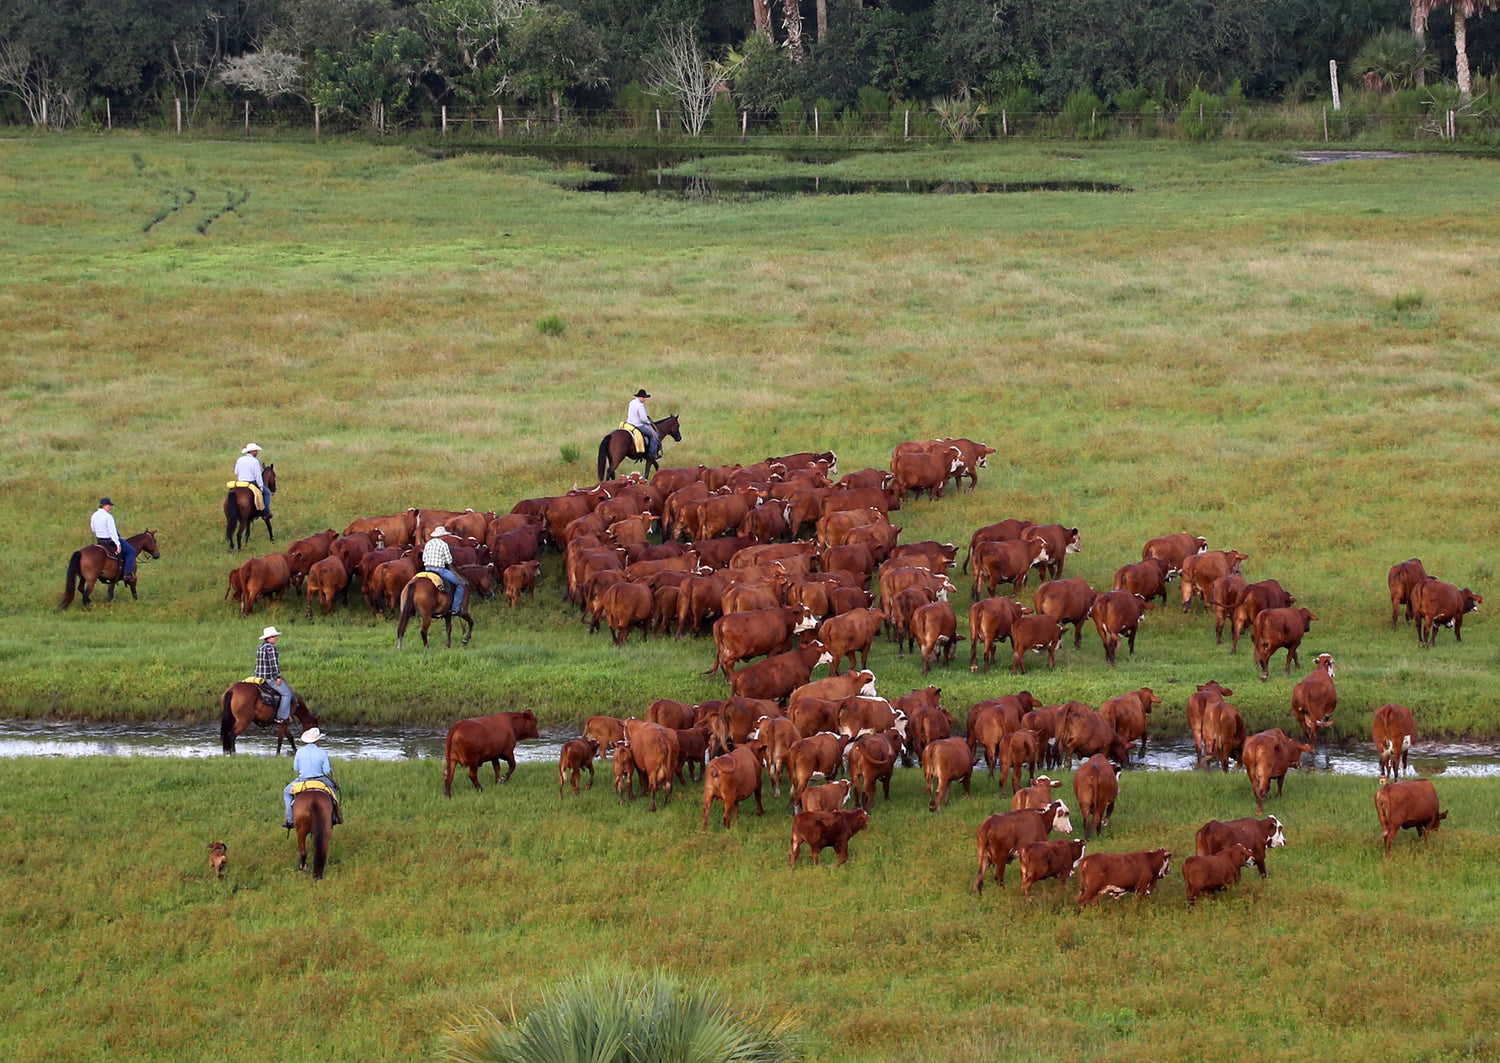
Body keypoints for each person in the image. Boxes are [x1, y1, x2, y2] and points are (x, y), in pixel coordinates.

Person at [282, 727, 336, 830]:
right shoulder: (322, 753)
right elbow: (327, 771)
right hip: (320, 779)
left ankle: (290, 820)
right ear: (317, 740)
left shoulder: (300, 752)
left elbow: (296, 768)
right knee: (333, 791)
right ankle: (333, 817)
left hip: (302, 780)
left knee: (286, 792)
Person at [421, 526, 467, 617]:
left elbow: (424, 558)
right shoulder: (443, 544)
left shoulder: (428, 543)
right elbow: (449, 560)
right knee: (460, 585)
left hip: (427, 569)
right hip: (439, 570)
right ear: (442, 536)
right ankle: (455, 608)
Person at [255, 626, 295, 724]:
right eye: (275, 636)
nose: (276, 638)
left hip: (258, 677)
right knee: (287, 694)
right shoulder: (271, 648)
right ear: (270, 637)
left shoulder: (260, 647)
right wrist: (278, 677)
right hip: (269, 678)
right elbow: (274, 664)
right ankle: (281, 717)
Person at [90, 497, 137, 580]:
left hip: (100, 541)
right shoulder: (108, 516)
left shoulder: (94, 515)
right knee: (131, 551)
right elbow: (113, 532)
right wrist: (118, 544)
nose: (111, 507)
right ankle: (127, 573)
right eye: (109, 505)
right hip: (109, 541)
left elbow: (93, 529)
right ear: (104, 505)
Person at [234, 443, 271, 519]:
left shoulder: (240, 459)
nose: (257, 452)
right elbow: (258, 476)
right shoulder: (255, 461)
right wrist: (260, 487)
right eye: (256, 451)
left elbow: (236, 472)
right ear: (253, 451)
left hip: (240, 482)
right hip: (251, 482)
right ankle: (266, 512)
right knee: (267, 493)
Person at [626, 388, 659, 460]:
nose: (644, 399)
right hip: (638, 425)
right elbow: (643, 418)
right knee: (655, 435)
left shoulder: (631, 402)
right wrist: (648, 422)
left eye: (645, 398)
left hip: (629, 424)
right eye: (643, 397)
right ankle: (651, 454)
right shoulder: (640, 405)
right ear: (640, 397)